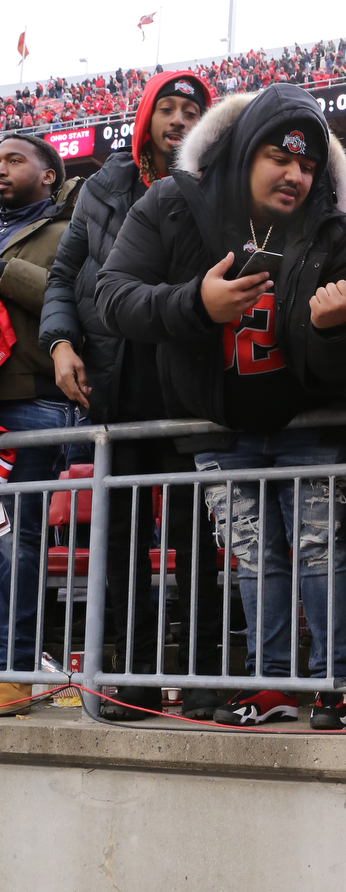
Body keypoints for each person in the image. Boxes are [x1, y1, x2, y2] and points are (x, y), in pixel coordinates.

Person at [95, 85, 346, 730]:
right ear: (247, 149)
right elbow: (110, 296)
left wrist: (334, 329)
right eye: (281, 157)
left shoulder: (330, 229)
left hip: (307, 422)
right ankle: (272, 681)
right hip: (219, 426)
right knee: (254, 559)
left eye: (309, 165)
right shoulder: (173, 202)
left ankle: (337, 680)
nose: (296, 175)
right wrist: (195, 303)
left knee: (319, 551)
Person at [40, 70, 223, 721]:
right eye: (167, 108)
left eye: (190, 110)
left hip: (184, 384)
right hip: (115, 387)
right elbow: (64, 277)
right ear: (144, 117)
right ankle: (130, 683)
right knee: (119, 541)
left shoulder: (213, 185)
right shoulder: (99, 188)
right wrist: (61, 343)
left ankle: (204, 679)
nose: (178, 119)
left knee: (191, 539)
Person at [0, 136, 81, 707]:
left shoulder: (65, 232)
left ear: (49, 175)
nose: (0, 170)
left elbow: (66, 298)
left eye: (13, 159)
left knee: (19, 539)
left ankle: (16, 665)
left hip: (33, 402)